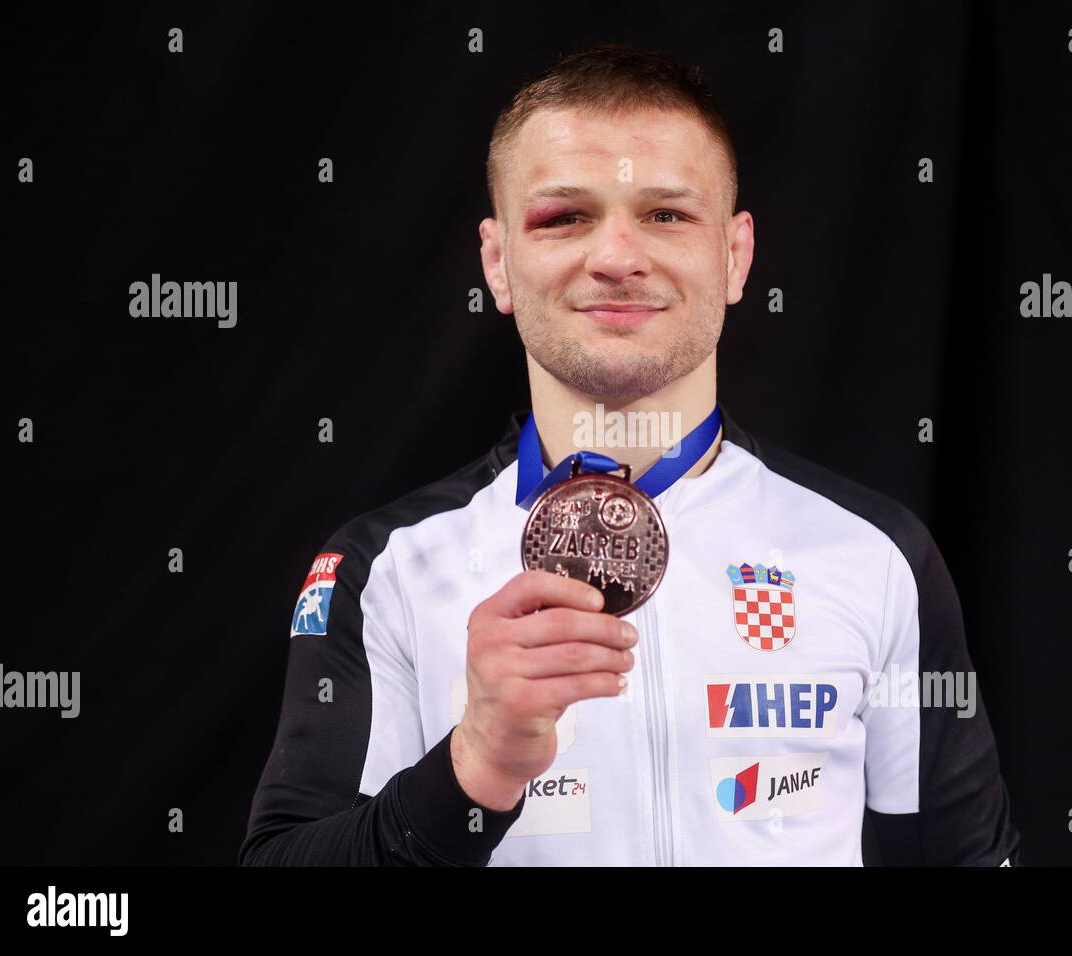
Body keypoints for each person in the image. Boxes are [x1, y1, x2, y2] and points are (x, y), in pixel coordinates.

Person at [238, 42, 1021, 866]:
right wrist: (475, 767)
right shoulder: (383, 568)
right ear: (498, 263)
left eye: (667, 214)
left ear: (735, 256)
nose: (615, 257)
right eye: (564, 216)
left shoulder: (876, 554)